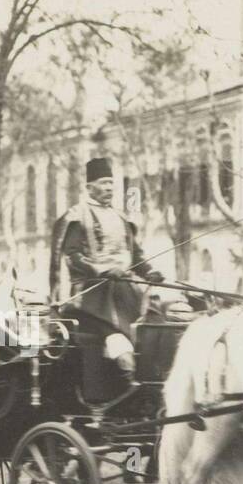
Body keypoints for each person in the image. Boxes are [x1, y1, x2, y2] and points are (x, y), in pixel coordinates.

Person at [51, 157, 164, 380]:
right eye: (104, 183)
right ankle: (126, 378)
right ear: (89, 187)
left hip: (127, 292)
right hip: (92, 297)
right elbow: (72, 257)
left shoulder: (121, 217)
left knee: (159, 323)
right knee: (117, 339)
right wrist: (102, 271)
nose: (109, 188)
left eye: (112, 183)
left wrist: (149, 272)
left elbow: (136, 255)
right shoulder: (77, 216)